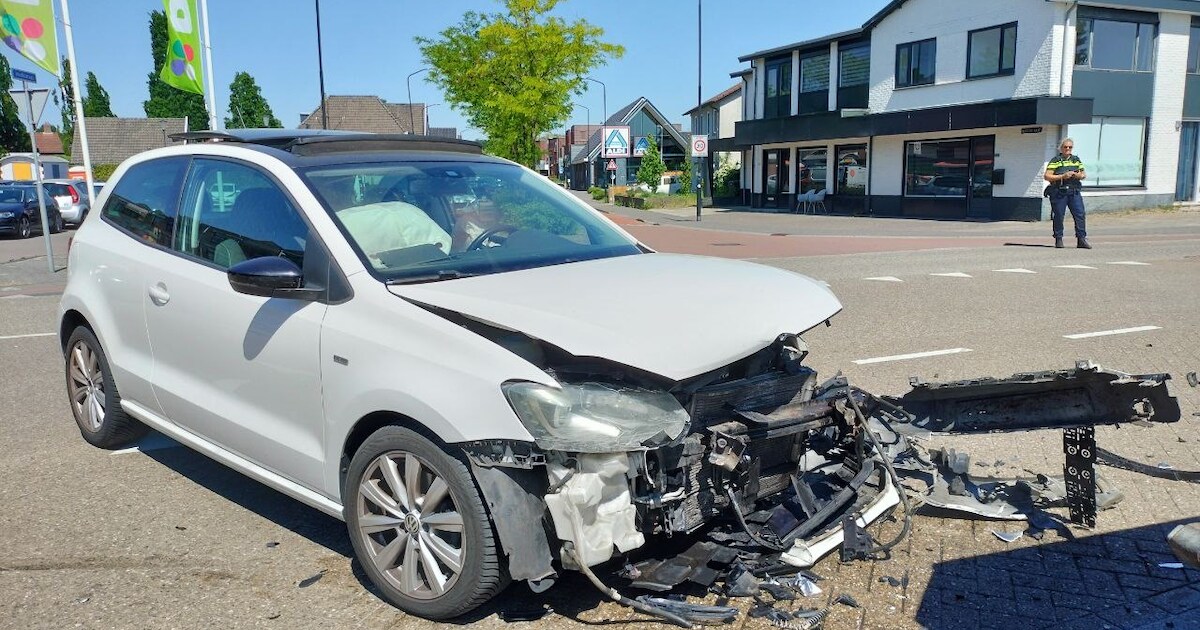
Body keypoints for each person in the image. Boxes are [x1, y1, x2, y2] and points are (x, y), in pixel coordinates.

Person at [1044, 138, 1090, 249]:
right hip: (1059, 191)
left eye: (1070, 147)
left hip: (1074, 191)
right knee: (1059, 215)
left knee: (1080, 214)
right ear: (1061, 148)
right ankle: (1058, 238)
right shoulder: (1056, 160)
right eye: (1065, 147)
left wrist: (1078, 175)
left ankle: (1081, 239)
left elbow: (1083, 174)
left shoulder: (1076, 160)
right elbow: (1047, 176)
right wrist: (1062, 176)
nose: (1068, 149)